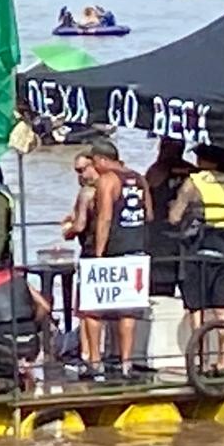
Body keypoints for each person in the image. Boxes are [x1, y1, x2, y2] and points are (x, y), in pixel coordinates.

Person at [169, 145, 224, 371]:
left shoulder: (193, 182)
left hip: (197, 250)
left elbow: (175, 217)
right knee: (223, 311)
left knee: (197, 311)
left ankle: (200, 360)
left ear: (205, 161)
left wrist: (174, 209)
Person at [89, 138, 153, 378]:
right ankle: (126, 362)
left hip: (114, 249)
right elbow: (149, 213)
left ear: (104, 160)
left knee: (95, 307)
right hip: (136, 247)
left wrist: (98, 253)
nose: (94, 168)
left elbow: (104, 218)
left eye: (95, 163)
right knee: (128, 309)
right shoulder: (139, 177)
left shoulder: (108, 180)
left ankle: (97, 362)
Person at [62, 153, 101, 365]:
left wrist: (67, 230)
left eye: (83, 169)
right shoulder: (109, 186)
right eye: (76, 171)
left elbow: (79, 226)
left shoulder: (87, 193)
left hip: (90, 250)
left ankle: (87, 353)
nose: (80, 175)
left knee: (85, 307)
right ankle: (96, 352)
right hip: (106, 250)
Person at [145, 138, 194, 299]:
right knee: (190, 285)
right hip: (188, 232)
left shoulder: (156, 171)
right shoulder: (192, 171)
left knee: (160, 287)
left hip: (162, 232)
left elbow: (146, 201)